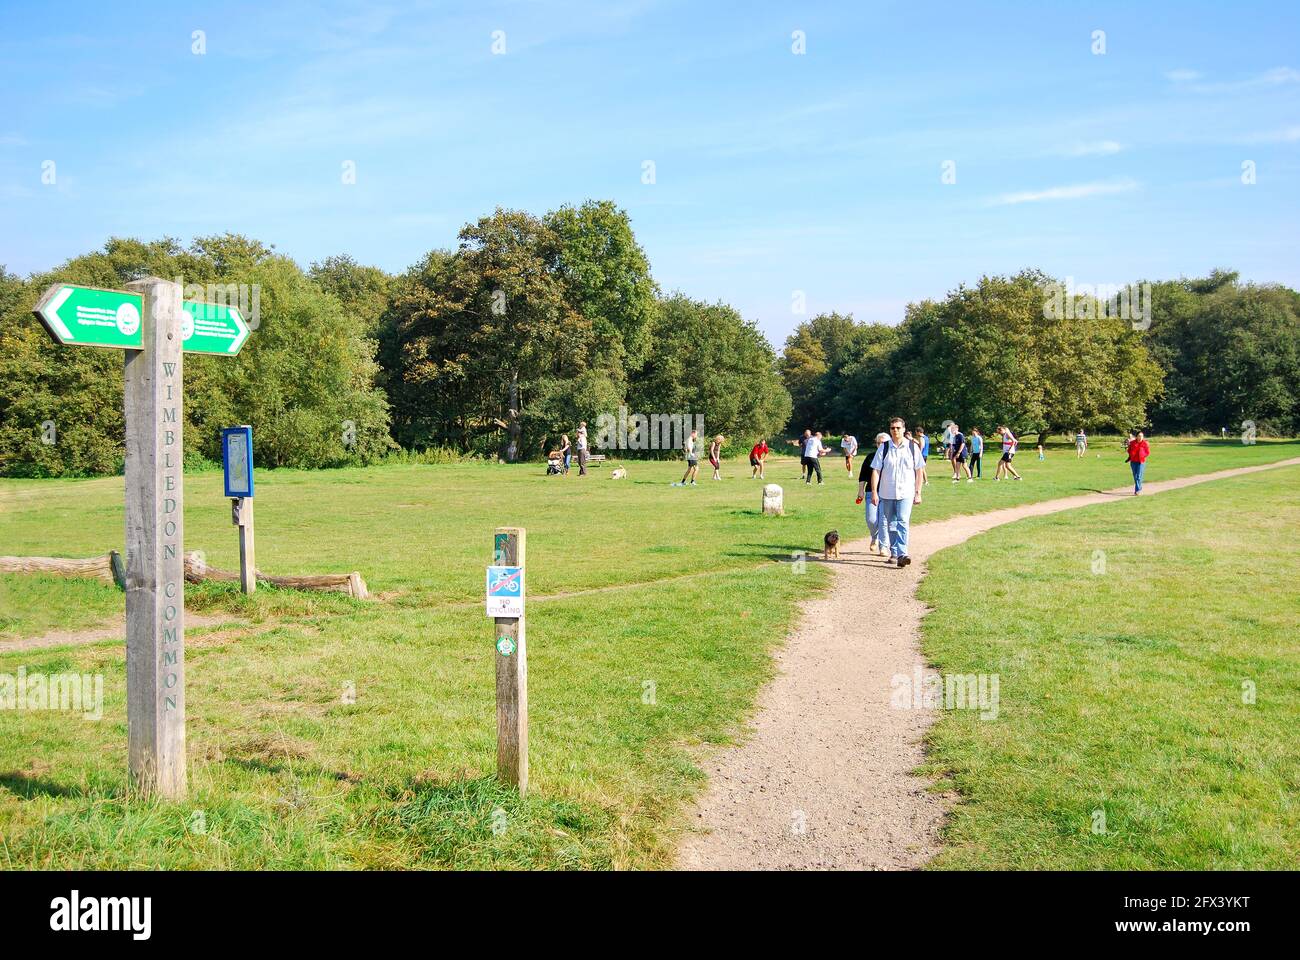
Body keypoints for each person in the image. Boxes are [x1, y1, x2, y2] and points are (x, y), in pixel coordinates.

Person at [866, 418, 925, 567]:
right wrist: (874, 492)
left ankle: (902, 553)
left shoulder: (912, 447)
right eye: (892, 428)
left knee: (903, 521)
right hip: (887, 493)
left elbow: (919, 471)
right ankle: (894, 552)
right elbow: (876, 471)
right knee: (891, 523)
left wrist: (918, 492)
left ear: (904, 429)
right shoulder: (884, 447)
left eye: (898, 428)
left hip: (906, 492)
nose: (895, 430)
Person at [856, 432, 890, 555]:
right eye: (878, 442)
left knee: (884, 521)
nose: (881, 445)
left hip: (888, 493)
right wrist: (860, 491)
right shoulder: (870, 457)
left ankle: (883, 546)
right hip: (871, 492)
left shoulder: (892, 456)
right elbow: (863, 475)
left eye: (884, 443)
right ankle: (875, 537)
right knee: (871, 519)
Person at [1127, 430, 1150, 495]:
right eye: (1139, 436)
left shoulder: (1145, 443)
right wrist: (1131, 454)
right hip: (1133, 462)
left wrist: (1142, 455)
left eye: (1142, 436)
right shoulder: (1132, 443)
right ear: (1136, 436)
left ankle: (1137, 490)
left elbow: (1147, 452)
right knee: (1135, 476)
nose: (1140, 437)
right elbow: (1129, 450)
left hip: (1141, 462)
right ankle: (1139, 487)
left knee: (1139, 476)